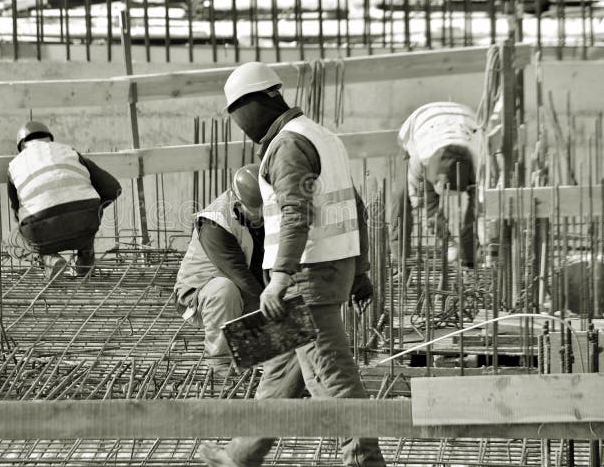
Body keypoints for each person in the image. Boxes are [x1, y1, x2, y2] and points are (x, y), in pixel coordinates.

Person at [199, 62, 385, 467]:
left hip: (306, 278)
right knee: (280, 376)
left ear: (254, 104)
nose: (241, 127)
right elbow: (354, 208)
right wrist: (362, 269)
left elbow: (296, 213)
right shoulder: (321, 136)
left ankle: (365, 462)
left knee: (332, 380)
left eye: (238, 115)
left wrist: (279, 277)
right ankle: (240, 456)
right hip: (329, 270)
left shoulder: (287, 145)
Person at [174, 163, 265, 375]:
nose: (261, 217)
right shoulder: (215, 224)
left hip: (243, 287)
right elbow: (241, 278)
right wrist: (274, 316)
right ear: (238, 202)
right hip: (199, 294)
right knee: (225, 291)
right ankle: (220, 362)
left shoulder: (268, 209)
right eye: (256, 212)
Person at [5, 120, 121, 280]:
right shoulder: (69, 152)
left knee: (10, 243)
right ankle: (85, 258)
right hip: (85, 228)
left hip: (41, 232)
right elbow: (113, 188)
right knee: (86, 206)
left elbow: (17, 215)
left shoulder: (14, 165)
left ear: (21, 146)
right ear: (49, 138)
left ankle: (50, 259)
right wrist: (95, 209)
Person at [390, 101, 483, 269]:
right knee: (401, 197)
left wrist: (468, 250)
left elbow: (478, 209)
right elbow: (425, 206)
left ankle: (468, 258)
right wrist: (447, 240)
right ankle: (401, 260)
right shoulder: (421, 157)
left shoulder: (479, 162)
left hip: (465, 122)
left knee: (476, 207)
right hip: (422, 122)